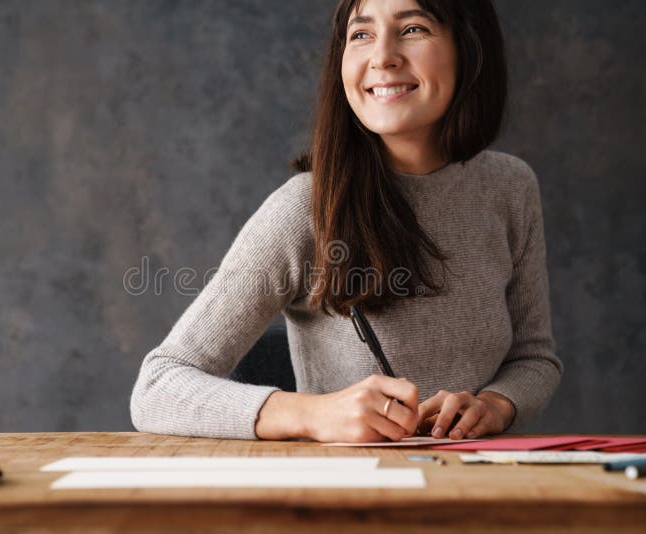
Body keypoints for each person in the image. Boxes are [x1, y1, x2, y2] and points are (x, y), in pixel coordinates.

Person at [130, 0, 563, 443]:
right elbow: (157, 387)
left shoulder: (511, 187)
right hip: (349, 499)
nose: (382, 57)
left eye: (412, 29)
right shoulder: (305, 209)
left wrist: (494, 405)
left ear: (470, 49)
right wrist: (312, 414)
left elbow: (533, 359)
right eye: (361, 34)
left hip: (479, 489)